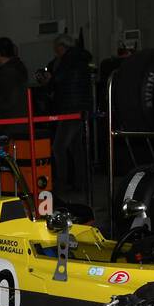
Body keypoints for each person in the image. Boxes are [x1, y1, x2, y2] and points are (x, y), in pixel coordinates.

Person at [38, 33, 93, 198]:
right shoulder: (81, 58)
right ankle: (80, 183)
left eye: (56, 48)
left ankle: (61, 184)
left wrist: (48, 79)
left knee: (58, 147)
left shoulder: (66, 61)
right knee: (76, 148)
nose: (55, 52)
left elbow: (58, 81)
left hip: (70, 109)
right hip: (80, 108)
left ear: (62, 47)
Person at [0, 37, 29, 126]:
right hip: (21, 118)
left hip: (9, 121)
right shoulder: (19, 67)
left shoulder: (6, 72)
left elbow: (5, 99)